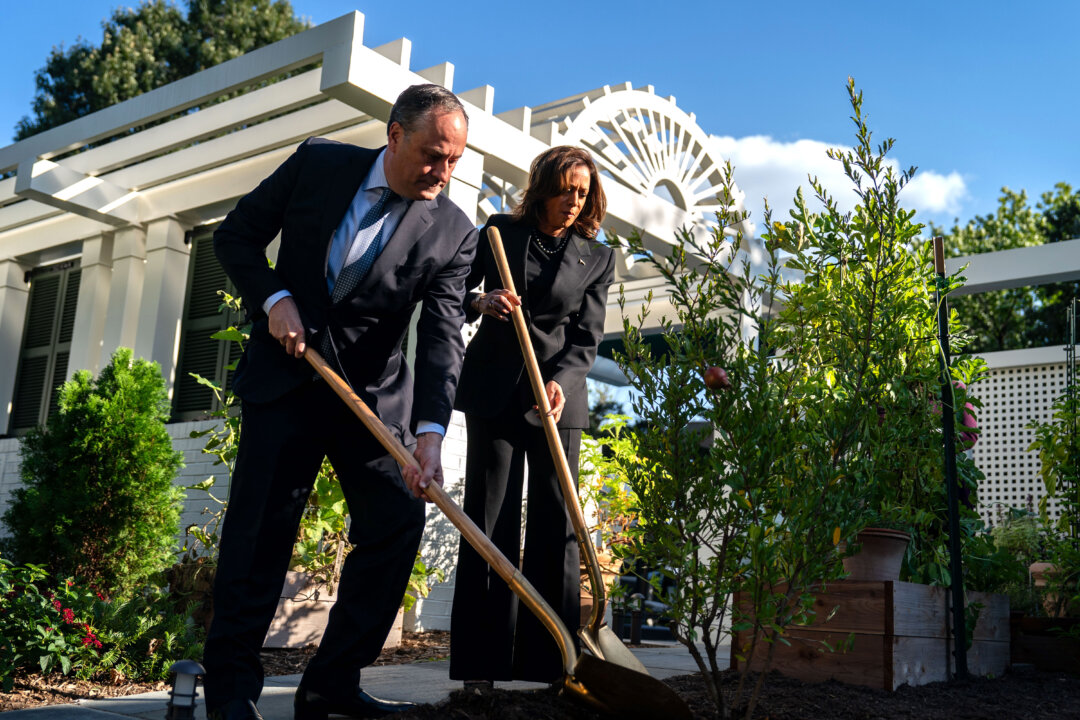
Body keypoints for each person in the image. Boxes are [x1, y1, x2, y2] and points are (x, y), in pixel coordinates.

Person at [204, 84, 478, 720]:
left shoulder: (454, 232)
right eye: (434, 155)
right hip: (286, 383)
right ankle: (230, 696)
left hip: (372, 402)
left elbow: (441, 337)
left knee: (397, 525)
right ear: (394, 135)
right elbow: (236, 238)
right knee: (257, 539)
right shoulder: (318, 165)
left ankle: (329, 687)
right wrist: (275, 301)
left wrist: (430, 434)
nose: (443, 172)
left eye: (454, 161)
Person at [449, 146, 615, 686]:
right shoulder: (499, 232)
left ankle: (552, 666)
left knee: (554, 527)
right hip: (495, 391)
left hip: (557, 403)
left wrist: (560, 383)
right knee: (489, 522)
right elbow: (455, 292)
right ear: (543, 186)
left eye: (583, 192)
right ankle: (481, 666)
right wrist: (483, 302)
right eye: (566, 188)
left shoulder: (597, 257)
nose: (573, 201)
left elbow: (587, 339)